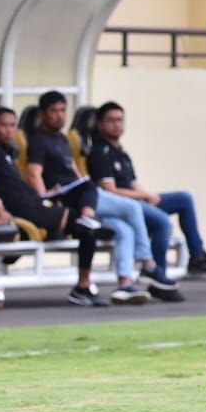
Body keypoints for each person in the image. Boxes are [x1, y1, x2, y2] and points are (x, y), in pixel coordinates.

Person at [26, 90, 157, 304]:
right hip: (70, 197)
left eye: (62, 110)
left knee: (123, 230)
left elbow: (73, 170)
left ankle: (125, 285)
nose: (59, 115)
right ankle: (148, 264)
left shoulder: (61, 138)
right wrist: (43, 199)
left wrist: (83, 182)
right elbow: (34, 173)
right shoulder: (39, 140)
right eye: (54, 111)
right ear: (42, 113)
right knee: (133, 208)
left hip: (84, 194)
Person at [0, 106, 106, 307]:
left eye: (12, 125)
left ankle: (84, 281)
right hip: (21, 209)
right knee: (85, 228)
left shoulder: (7, 152)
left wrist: (47, 194)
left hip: (33, 202)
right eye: (3, 125)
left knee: (87, 197)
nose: (9, 130)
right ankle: (82, 286)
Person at [88, 102, 206, 284]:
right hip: (121, 207)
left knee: (183, 199)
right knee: (162, 222)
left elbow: (134, 185)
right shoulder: (100, 152)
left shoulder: (122, 154)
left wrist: (148, 195)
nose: (117, 124)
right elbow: (110, 191)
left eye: (120, 120)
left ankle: (197, 256)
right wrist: (145, 197)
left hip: (137, 201)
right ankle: (157, 273)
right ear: (100, 124)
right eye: (111, 120)